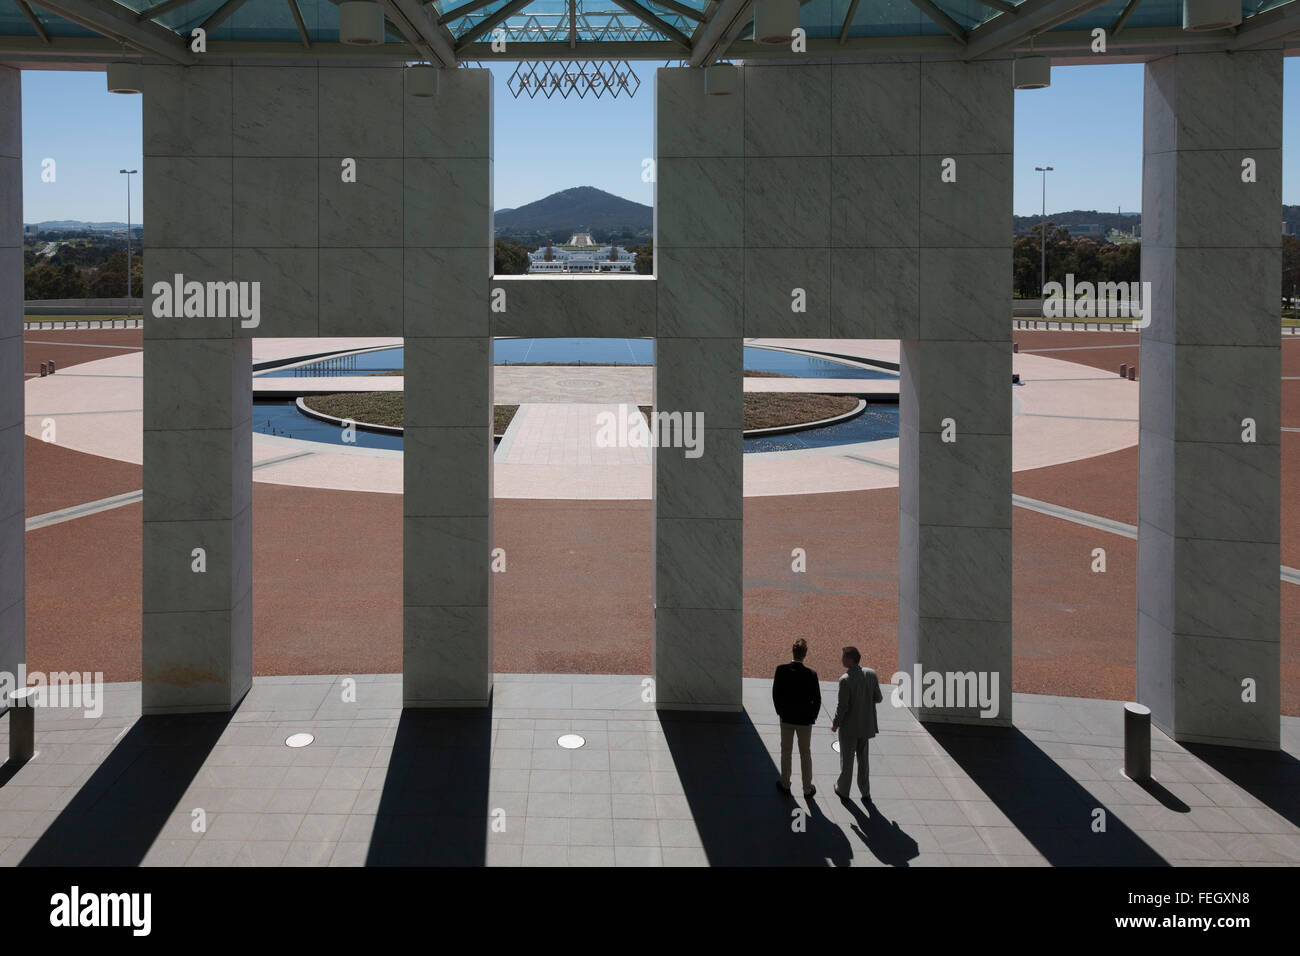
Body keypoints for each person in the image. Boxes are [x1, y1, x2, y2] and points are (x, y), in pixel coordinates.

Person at [830, 645, 882, 801]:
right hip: (866, 726)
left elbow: (843, 707)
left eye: (844, 657)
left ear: (850, 660)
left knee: (847, 761)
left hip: (849, 729)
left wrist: (835, 724)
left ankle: (843, 789)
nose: (841, 659)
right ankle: (865, 791)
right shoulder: (871, 674)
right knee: (863, 761)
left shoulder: (845, 680)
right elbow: (878, 698)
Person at [772, 638, 821, 797]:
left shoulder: (781, 670)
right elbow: (817, 699)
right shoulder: (811, 674)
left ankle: (785, 783)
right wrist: (812, 716)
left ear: (792, 651)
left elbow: (776, 694)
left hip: (786, 718)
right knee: (805, 753)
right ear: (805, 654)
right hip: (805, 720)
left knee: (786, 751)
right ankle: (807, 788)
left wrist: (781, 712)